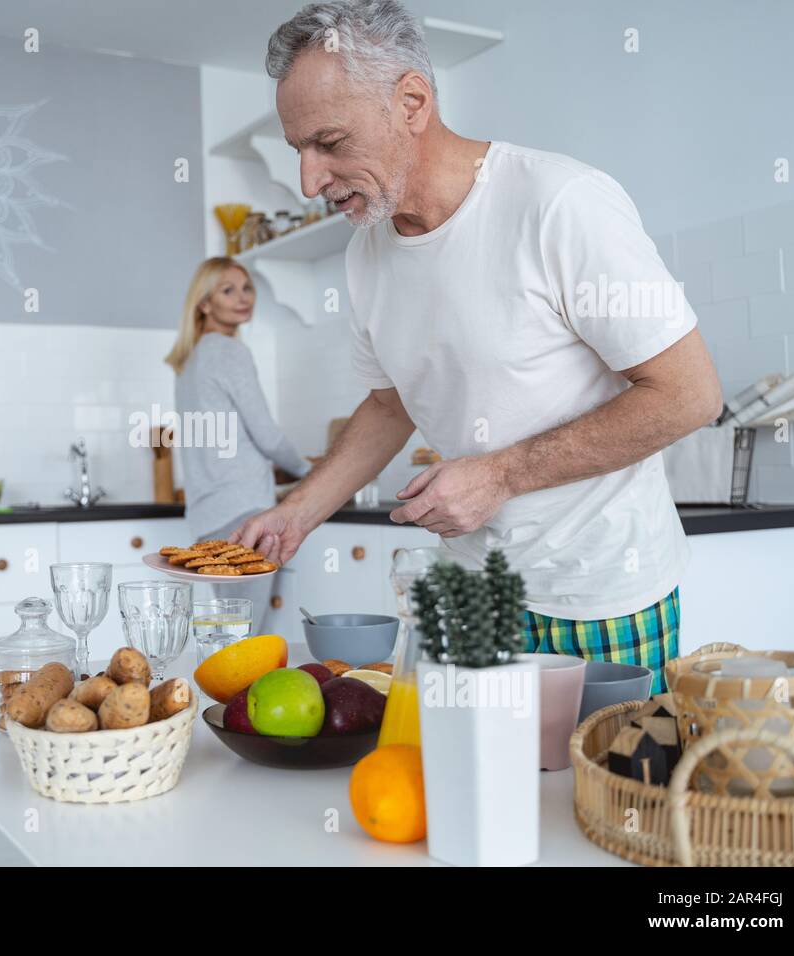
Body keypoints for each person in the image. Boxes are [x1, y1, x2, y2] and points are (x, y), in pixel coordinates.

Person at [233, 1, 723, 692]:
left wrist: (498, 475)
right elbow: (388, 403)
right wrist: (298, 512)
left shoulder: (560, 203)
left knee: (606, 797)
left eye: (331, 142)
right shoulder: (365, 254)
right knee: (469, 791)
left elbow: (690, 395)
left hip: (599, 591)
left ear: (412, 101)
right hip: (469, 595)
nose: (310, 181)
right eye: (299, 152)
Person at [166, 257, 315, 631]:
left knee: (230, 631)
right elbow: (266, 434)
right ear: (204, 303)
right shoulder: (230, 351)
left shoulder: (187, 364)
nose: (243, 297)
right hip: (245, 512)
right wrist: (309, 473)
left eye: (247, 288)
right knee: (249, 636)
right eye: (227, 290)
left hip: (206, 518)